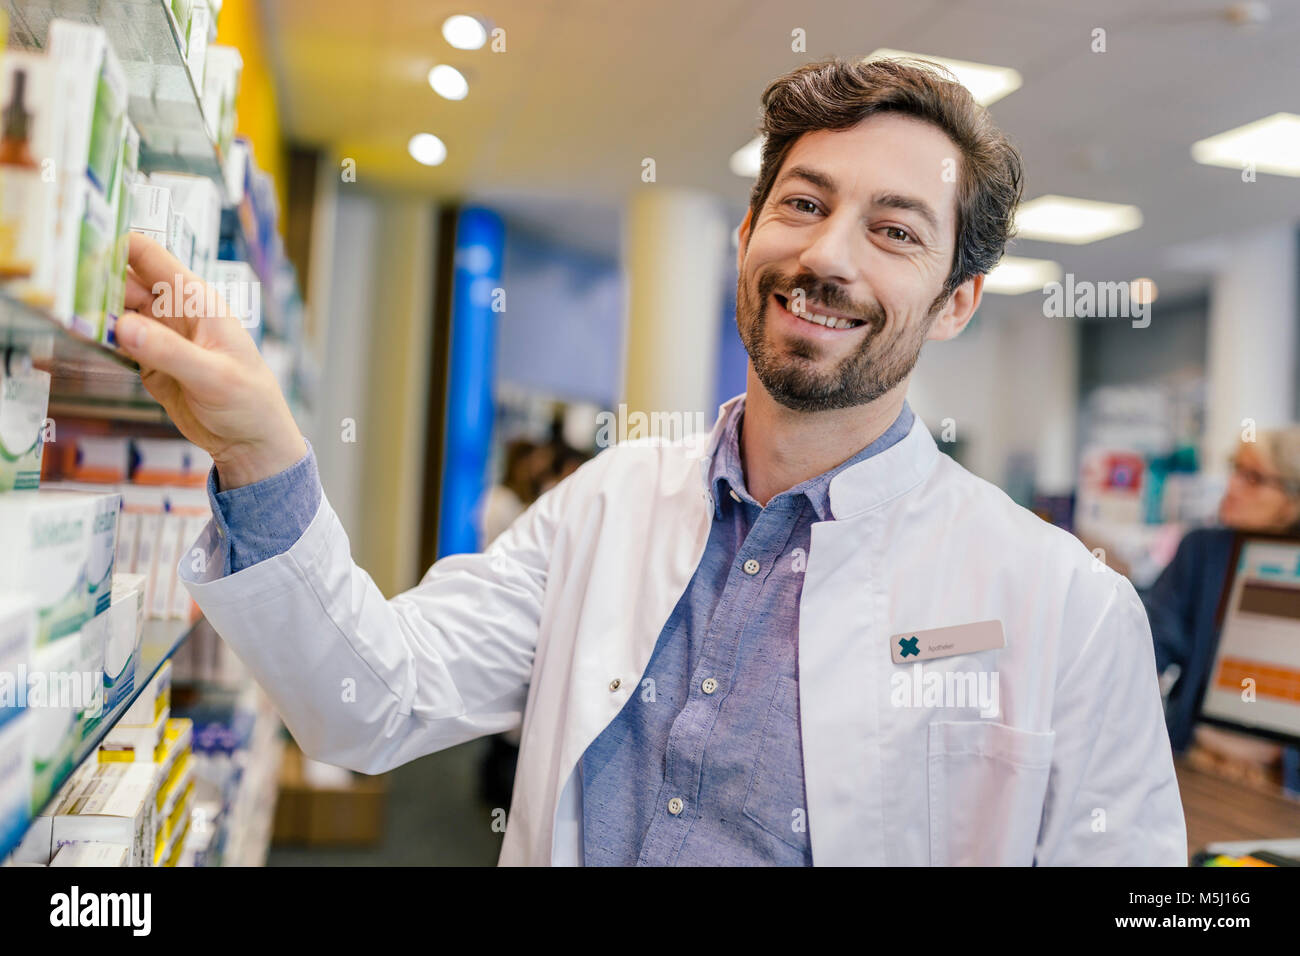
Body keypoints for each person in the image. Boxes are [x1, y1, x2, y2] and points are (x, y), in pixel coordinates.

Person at [113, 56, 1185, 865]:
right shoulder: (611, 504)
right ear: (746, 234)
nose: (825, 256)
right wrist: (260, 451)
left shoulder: (1066, 608)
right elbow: (369, 700)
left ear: (955, 303)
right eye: (802, 203)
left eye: (895, 231)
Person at [1142, 428, 1300, 775]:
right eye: (1235, 470)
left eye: (1253, 478)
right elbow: (1146, 642)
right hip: (1196, 756)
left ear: (1293, 499)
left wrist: (1276, 755)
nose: (1231, 487)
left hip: (1281, 778)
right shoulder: (1201, 551)